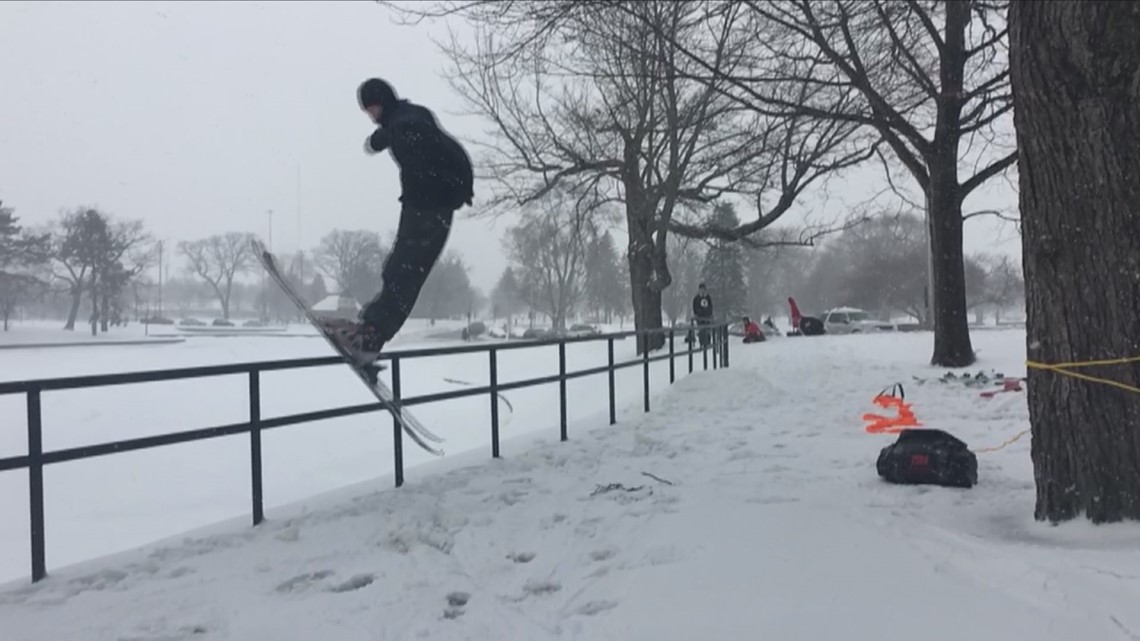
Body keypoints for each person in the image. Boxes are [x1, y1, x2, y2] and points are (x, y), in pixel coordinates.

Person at [324, 78, 475, 366]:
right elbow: (397, 132)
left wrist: (423, 197)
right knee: (399, 268)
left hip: (429, 206)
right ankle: (371, 327)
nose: (371, 116)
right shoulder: (406, 117)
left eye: (372, 110)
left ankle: (372, 336)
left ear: (382, 103)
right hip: (430, 204)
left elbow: (413, 138)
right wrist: (376, 141)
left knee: (405, 271)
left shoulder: (408, 125)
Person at [692, 283, 714, 347]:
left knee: (707, 330)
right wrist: (697, 314)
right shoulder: (696, 298)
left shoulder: (708, 297)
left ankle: (708, 342)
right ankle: (702, 343)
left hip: (707, 317)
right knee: (701, 330)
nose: (702, 291)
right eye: (701, 289)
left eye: (703, 289)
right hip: (700, 317)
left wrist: (709, 313)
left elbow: (710, 306)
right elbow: (694, 307)